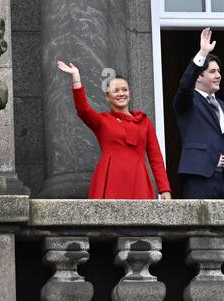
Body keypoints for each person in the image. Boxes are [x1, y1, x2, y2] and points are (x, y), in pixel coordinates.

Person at [57, 60, 170, 200]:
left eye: (124, 90)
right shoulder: (102, 121)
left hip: (138, 180)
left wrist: (164, 189)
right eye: (115, 91)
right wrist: (76, 78)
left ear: (130, 93)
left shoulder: (144, 122)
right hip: (111, 180)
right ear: (107, 97)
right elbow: (83, 110)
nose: (121, 94)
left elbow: (156, 157)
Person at [173, 27, 224, 198]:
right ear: (199, 76)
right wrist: (202, 53)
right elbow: (185, 85)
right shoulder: (187, 101)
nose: (218, 75)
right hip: (200, 178)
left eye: (219, 71)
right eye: (212, 71)